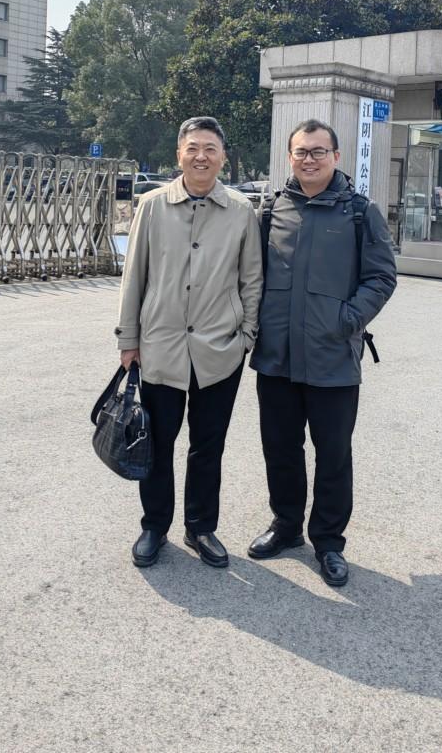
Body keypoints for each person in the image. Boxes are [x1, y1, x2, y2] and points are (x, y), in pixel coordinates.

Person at [249, 119, 397, 587]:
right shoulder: (272, 210)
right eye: (301, 152)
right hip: (277, 356)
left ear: (336, 156)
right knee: (280, 449)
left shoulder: (360, 212)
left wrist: (347, 320)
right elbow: (251, 275)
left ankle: (329, 542)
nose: (309, 159)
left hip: (333, 358)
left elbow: (381, 277)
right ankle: (286, 526)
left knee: (333, 455)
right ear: (289, 157)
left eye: (318, 151)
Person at [116, 117, 263, 569]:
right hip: (160, 346)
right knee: (156, 442)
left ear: (223, 157)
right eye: (193, 148)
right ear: (179, 154)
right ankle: (154, 526)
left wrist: (246, 336)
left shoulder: (241, 211)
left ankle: (200, 527)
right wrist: (129, 338)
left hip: (220, 351)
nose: (202, 156)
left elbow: (252, 279)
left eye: (210, 149)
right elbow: (134, 275)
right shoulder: (152, 206)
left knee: (208, 446)